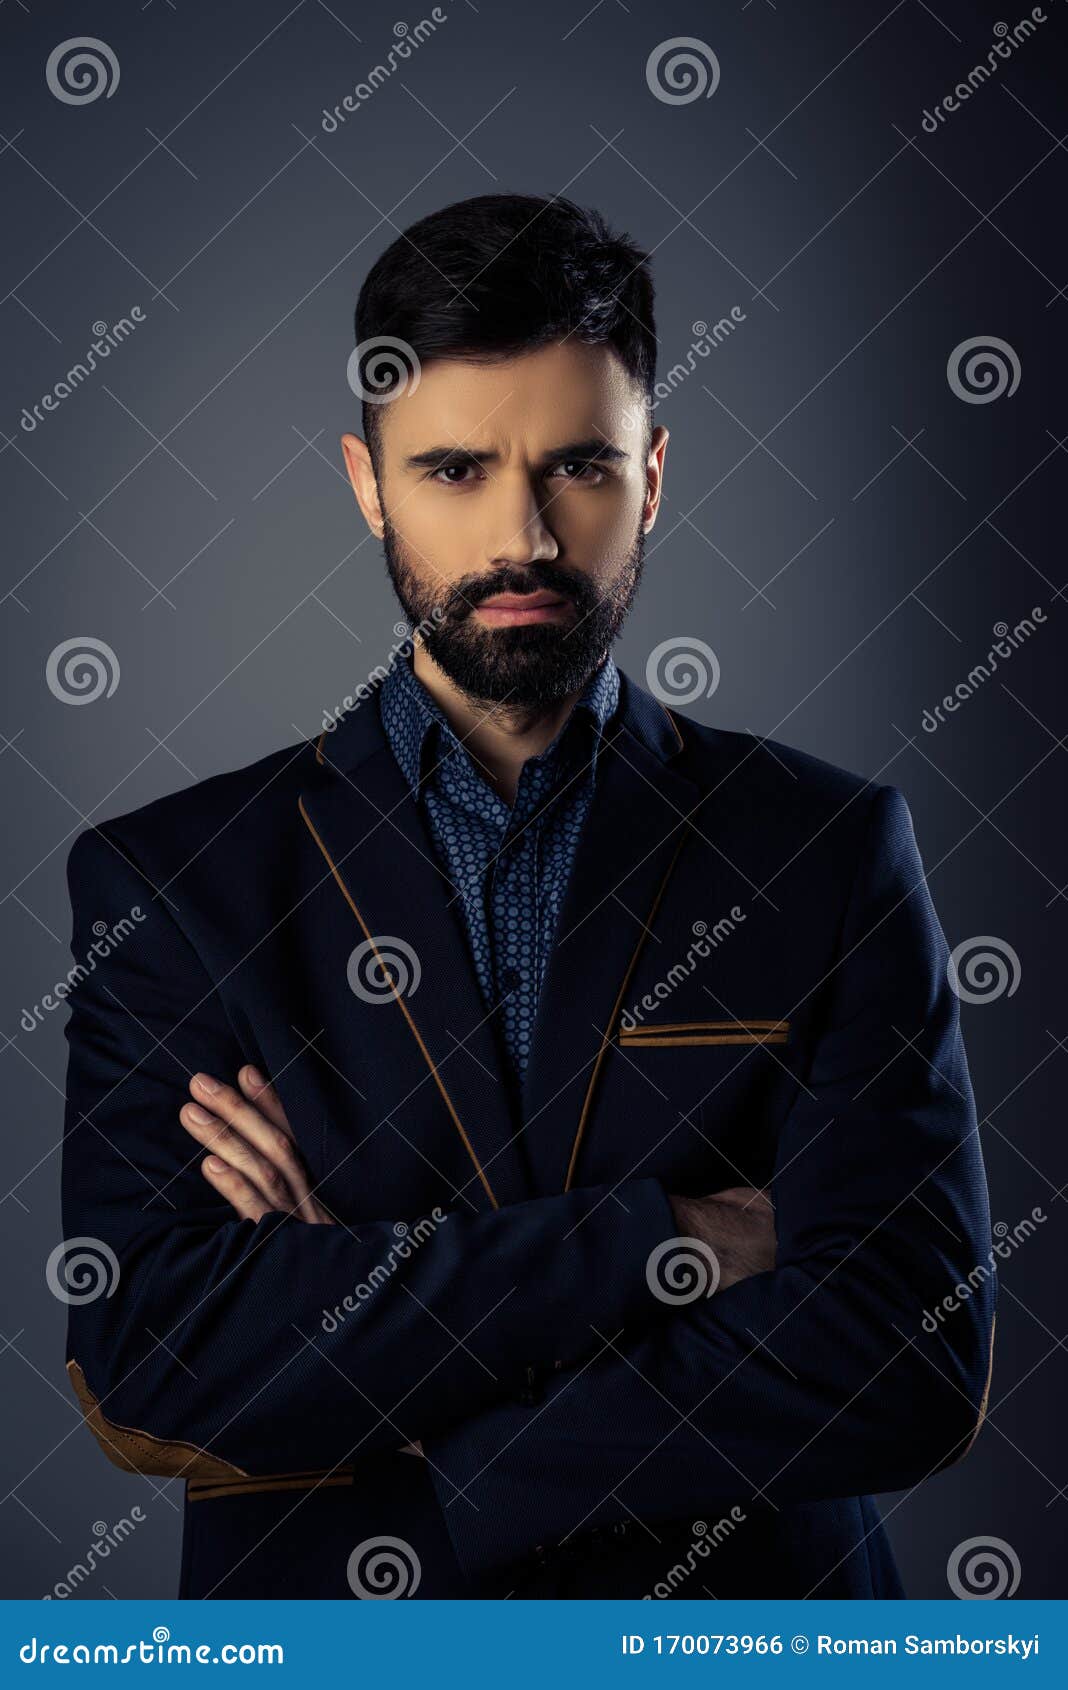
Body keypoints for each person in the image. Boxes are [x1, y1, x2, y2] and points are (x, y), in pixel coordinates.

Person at [60, 193, 994, 1600]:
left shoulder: (830, 848)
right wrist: (669, 1236)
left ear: (655, 474)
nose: (525, 537)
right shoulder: (175, 882)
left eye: (577, 466)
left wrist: (401, 1368)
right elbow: (154, 1360)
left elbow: (911, 1349)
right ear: (368, 484)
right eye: (450, 469)